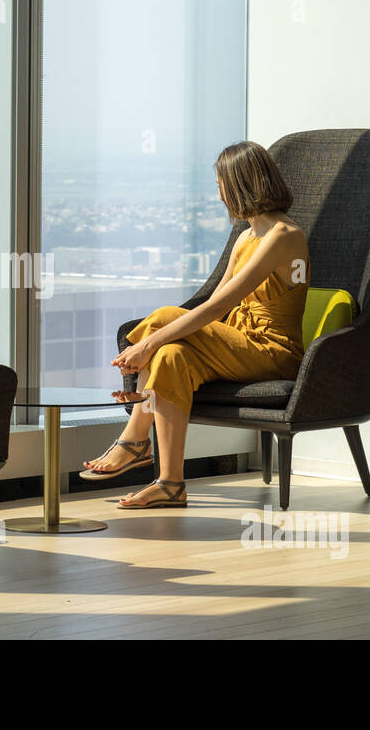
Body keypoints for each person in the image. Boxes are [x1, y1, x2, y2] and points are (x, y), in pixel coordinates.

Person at [81, 140, 310, 509]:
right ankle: (171, 484)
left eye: (221, 185)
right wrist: (155, 351)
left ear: (239, 185)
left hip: (274, 352)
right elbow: (214, 312)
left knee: (162, 323)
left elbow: (219, 304)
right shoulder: (245, 239)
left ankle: (135, 440)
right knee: (172, 355)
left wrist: (144, 346)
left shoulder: (285, 237)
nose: (219, 196)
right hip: (239, 345)